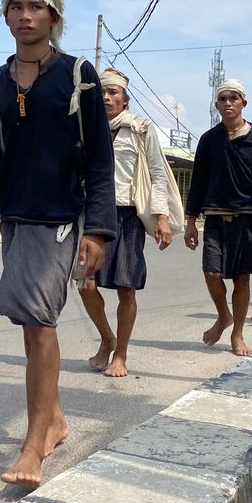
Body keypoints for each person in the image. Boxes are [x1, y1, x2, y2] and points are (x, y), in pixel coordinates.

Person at [0, 0, 115, 489]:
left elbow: (99, 160)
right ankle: (57, 420)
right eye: (16, 7)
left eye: (35, 7)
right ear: (5, 15)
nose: (25, 16)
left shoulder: (79, 75)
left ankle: (33, 445)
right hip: (17, 219)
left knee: (40, 324)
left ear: (54, 15)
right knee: (31, 323)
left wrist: (98, 229)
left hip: (61, 221)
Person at [77, 67, 175, 378]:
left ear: (125, 99)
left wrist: (161, 217)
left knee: (126, 289)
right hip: (91, 214)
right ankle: (107, 338)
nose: (106, 97)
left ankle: (121, 354)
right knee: (85, 284)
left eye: (113, 92)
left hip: (127, 215)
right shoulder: (83, 127)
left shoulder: (141, 129)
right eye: (102, 92)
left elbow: (158, 175)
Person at [184, 79, 252, 356]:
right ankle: (223, 315)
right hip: (215, 219)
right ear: (216, 105)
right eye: (223, 99)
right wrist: (191, 221)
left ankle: (237, 335)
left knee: (242, 280)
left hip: (247, 220)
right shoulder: (208, 140)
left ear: (243, 103)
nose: (228, 103)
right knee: (211, 273)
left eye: (234, 98)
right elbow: (198, 182)